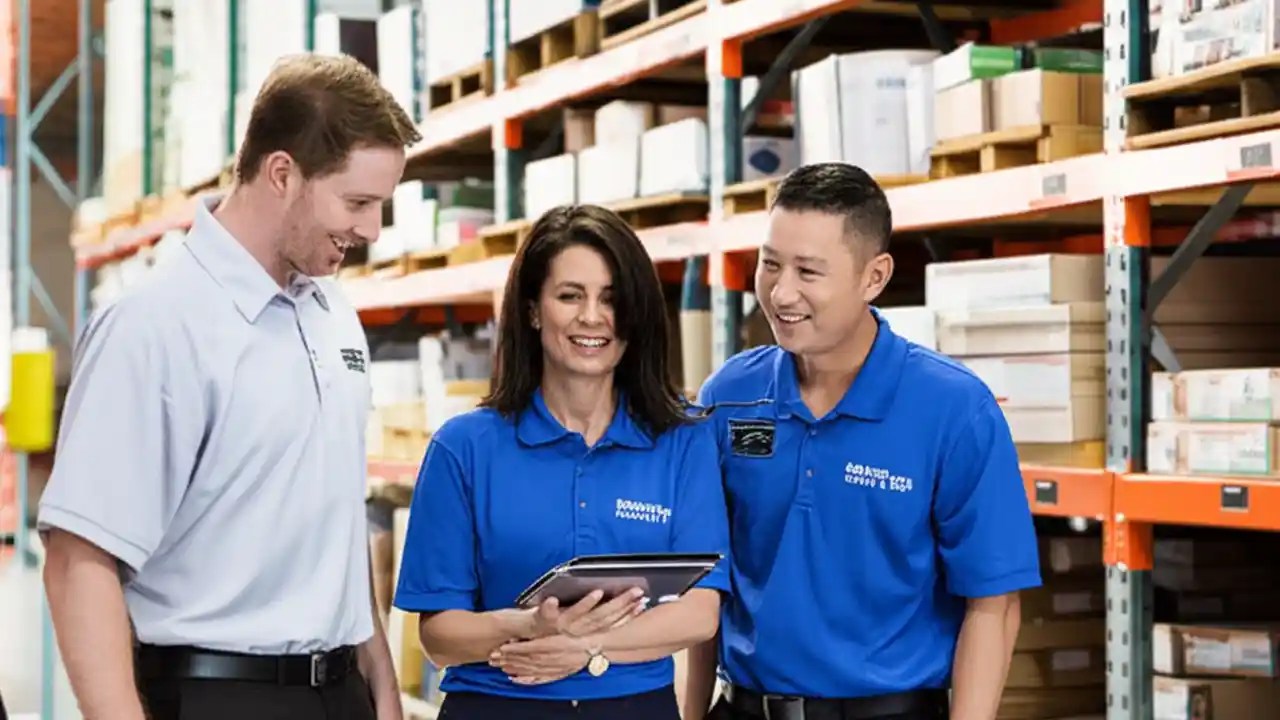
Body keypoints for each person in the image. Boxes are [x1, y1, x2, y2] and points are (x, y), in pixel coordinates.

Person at [37, 53, 421, 720]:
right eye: (358, 202)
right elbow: (80, 564)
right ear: (281, 173)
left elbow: (332, 519)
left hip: (340, 692)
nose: (371, 230)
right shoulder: (154, 327)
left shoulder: (334, 317)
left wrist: (380, 684)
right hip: (218, 693)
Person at [688, 163, 1042, 720]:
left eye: (808, 271)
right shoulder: (728, 396)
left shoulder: (953, 410)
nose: (781, 292)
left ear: (874, 277)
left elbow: (993, 607)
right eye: (770, 264)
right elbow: (703, 586)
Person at [392, 204, 732, 720]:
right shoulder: (464, 448)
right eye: (570, 296)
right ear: (532, 310)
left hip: (634, 708)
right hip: (496, 706)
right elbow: (439, 635)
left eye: (611, 299)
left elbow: (700, 613)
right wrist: (530, 627)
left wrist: (588, 648)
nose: (592, 317)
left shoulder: (683, 441)